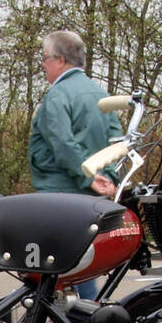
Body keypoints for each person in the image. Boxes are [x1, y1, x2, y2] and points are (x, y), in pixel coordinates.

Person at [29, 30, 125, 299]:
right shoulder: (99, 94)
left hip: (60, 190)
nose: (44, 66)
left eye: (45, 60)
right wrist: (106, 176)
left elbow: (62, 144)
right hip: (93, 193)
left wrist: (88, 176)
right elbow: (116, 141)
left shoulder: (58, 96)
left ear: (60, 60)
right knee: (84, 257)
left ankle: (49, 318)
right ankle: (87, 313)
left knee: (49, 259)